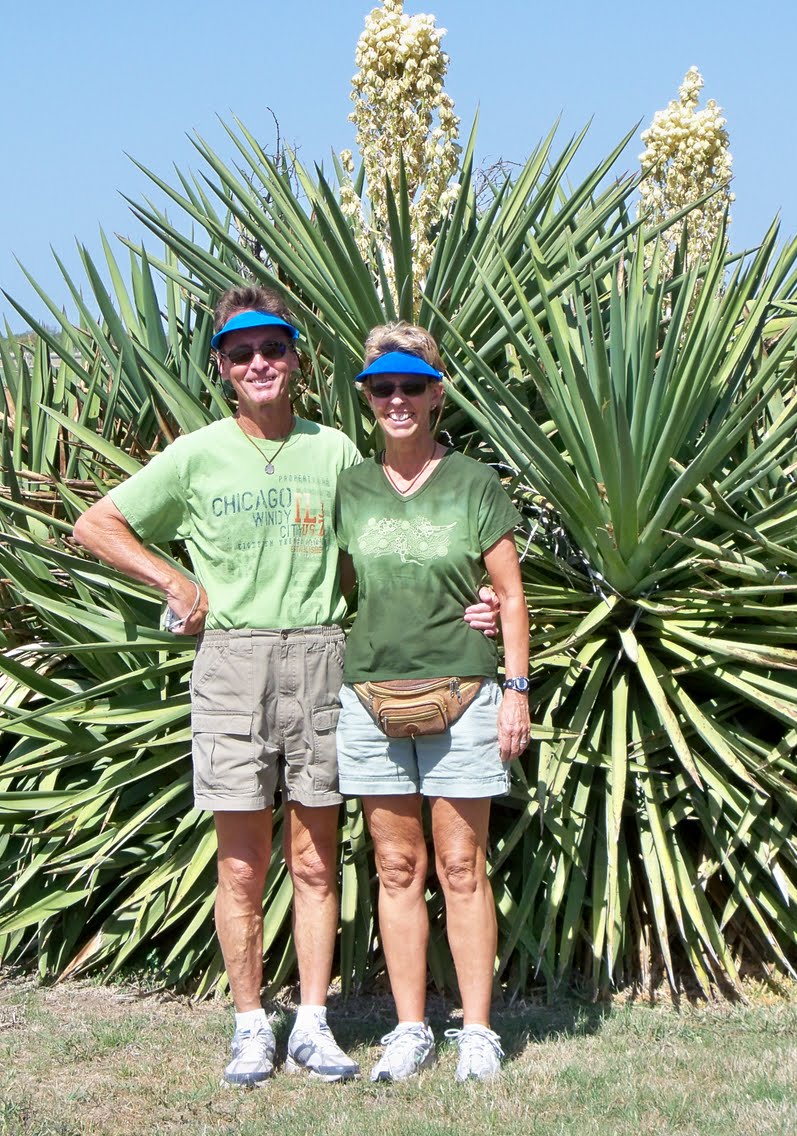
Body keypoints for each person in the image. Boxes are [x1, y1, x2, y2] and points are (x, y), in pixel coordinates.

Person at [72, 286, 497, 1088]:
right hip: (233, 661)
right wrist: (174, 581)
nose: (259, 363)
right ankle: (248, 1026)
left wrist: (473, 598)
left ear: (296, 360)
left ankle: (312, 1022)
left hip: (323, 655)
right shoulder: (197, 454)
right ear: (222, 368)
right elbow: (96, 523)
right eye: (241, 353)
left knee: (314, 859)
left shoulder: (333, 451)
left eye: (273, 348)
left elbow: (392, 537)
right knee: (241, 864)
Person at [333, 321, 532, 1084]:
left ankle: (477, 1031)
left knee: (460, 864)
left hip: (466, 690)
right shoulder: (351, 487)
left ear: (435, 393)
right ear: (367, 397)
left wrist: (516, 690)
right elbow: (336, 587)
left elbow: (511, 596)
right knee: (395, 866)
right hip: (371, 695)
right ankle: (410, 1027)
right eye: (381, 387)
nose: (397, 399)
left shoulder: (475, 484)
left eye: (411, 385)